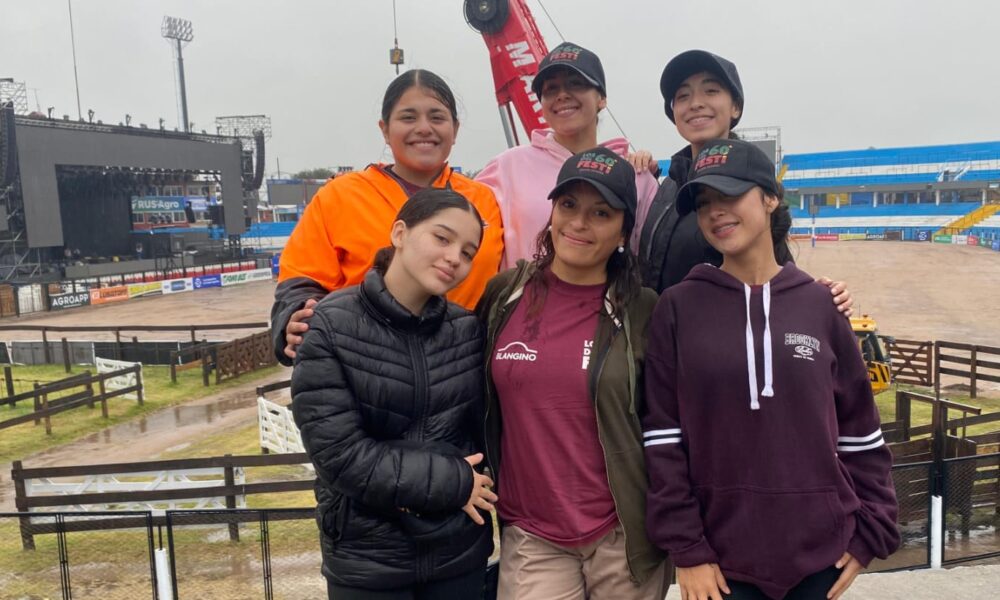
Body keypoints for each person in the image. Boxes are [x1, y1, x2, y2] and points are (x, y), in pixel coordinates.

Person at [642, 139, 899, 600]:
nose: (715, 212)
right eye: (704, 203)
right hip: (717, 566)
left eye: (729, 195)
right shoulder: (676, 308)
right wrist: (689, 550)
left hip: (821, 560)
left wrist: (868, 537)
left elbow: (861, 433)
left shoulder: (821, 304)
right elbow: (663, 438)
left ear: (770, 197)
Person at [477, 147, 670, 599]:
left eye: (600, 212)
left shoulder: (644, 309)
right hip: (531, 535)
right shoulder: (506, 295)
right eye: (568, 206)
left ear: (624, 230)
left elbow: (669, 423)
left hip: (623, 536)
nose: (579, 223)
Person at [292, 189, 498, 599]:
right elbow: (339, 454)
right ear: (400, 232)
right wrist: (454, 481)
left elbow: (484, 436)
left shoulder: (467, 330)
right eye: (442, 238)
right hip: (367, 560)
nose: (455, 257)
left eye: (468, 251)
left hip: (457, 554)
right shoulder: (331, 326)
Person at [272, 69, 504, 364]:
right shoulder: (341, 195)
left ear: (455, 129)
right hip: (366, 369)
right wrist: (294, 320)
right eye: (408, 117)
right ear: (384, 129)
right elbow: (300, 280)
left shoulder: (483, 201)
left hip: (460, 368)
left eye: (437, 117)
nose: (424, 128)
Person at [636, 50, 851, 317]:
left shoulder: (753, 185)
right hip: (662, 345)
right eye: (683, 96)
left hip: (732, 345)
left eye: (711, 91)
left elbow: (776, 267)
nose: (695, 103)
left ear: (735, 106)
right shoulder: (666, 188)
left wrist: (816, 295)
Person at [476, 42, 659, 267]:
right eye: (551, 89)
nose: (562, 95)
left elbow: (651, 259)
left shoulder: (636, 175)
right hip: (521, 300)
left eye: (576, 84)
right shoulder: (506, 166)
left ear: (601, 98)